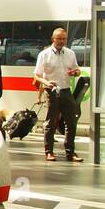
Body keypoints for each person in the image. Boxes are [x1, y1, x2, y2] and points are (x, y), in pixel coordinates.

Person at [34, 27, 82, 162]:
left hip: (66, 90)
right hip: (52, 91)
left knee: (71, 122)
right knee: (51, 122)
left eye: (64, 39)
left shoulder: (70, 53)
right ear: (53, 39)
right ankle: (49, 151)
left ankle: (70, 152)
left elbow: (77, 69)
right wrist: (46, 83)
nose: (62, 41)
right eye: (59, 39)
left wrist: (76, 73)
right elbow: (37, 75)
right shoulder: (44, 54)